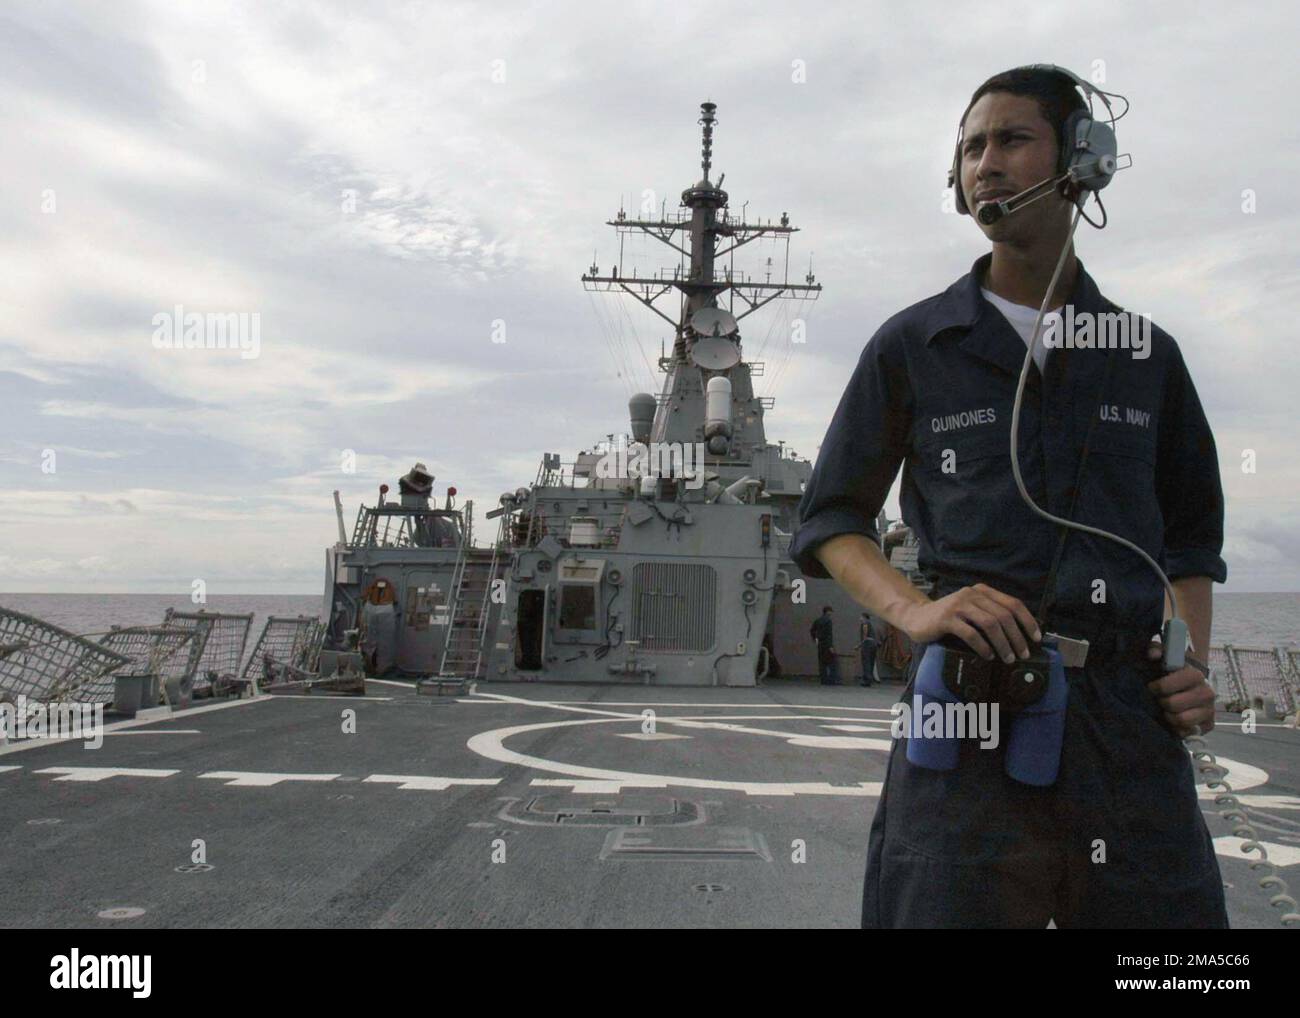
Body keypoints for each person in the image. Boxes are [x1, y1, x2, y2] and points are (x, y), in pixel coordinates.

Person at [789, 65, 1226, 929]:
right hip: (971, 710)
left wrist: (1192, 666)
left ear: (1084, 161)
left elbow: (1189, 541)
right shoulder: (914, 345)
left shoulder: (1147, 355)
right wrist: (916, 612)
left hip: (1127, 725)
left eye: (1012, 139)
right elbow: (833, 520)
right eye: (971, 147)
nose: (985, 162)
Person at [810, 605, 838, 685]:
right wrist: (831, 646)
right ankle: (831, 680)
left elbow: (812, 630)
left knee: (822, 662)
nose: (831, 613)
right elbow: (829, 634)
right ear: (828, 611)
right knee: (832, 662)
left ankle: (823, 680)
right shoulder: (828, 621)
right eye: (831, 611)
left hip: (820, 644)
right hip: (827, 644)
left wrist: (815, 639)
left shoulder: (818, 620)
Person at [859, 613, 879, 686]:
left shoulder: (865, 623)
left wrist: (860, 644)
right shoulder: (871, 624)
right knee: (871, 661)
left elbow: (865, 633)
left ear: (864, 617)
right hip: (873, 644)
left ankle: (867, 680)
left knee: (866, 661)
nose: (860, 618)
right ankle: (869, 678)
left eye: (861, 617)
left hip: (867, 644)